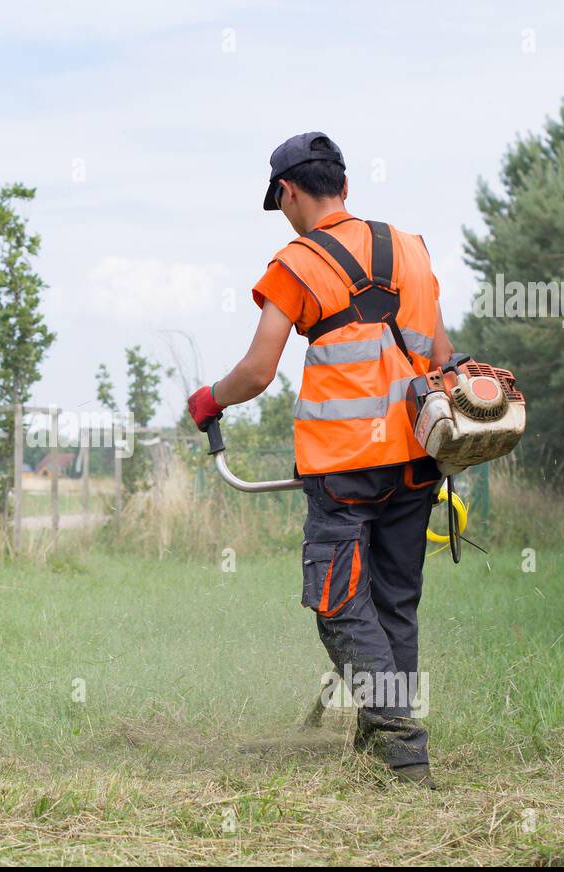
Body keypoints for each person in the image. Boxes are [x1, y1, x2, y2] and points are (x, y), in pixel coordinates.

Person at [187, 132, 454, 788]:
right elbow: (444, 358)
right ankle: (381, 743)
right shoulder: (411, 250)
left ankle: (400, 741)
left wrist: (206, 401)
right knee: (394, 602)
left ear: (288, 191)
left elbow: (256, 371)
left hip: (345, 468)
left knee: (337, 604)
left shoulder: (298, 262)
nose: (281, 212)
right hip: (419, 460)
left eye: (278, 202)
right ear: (342, 184)